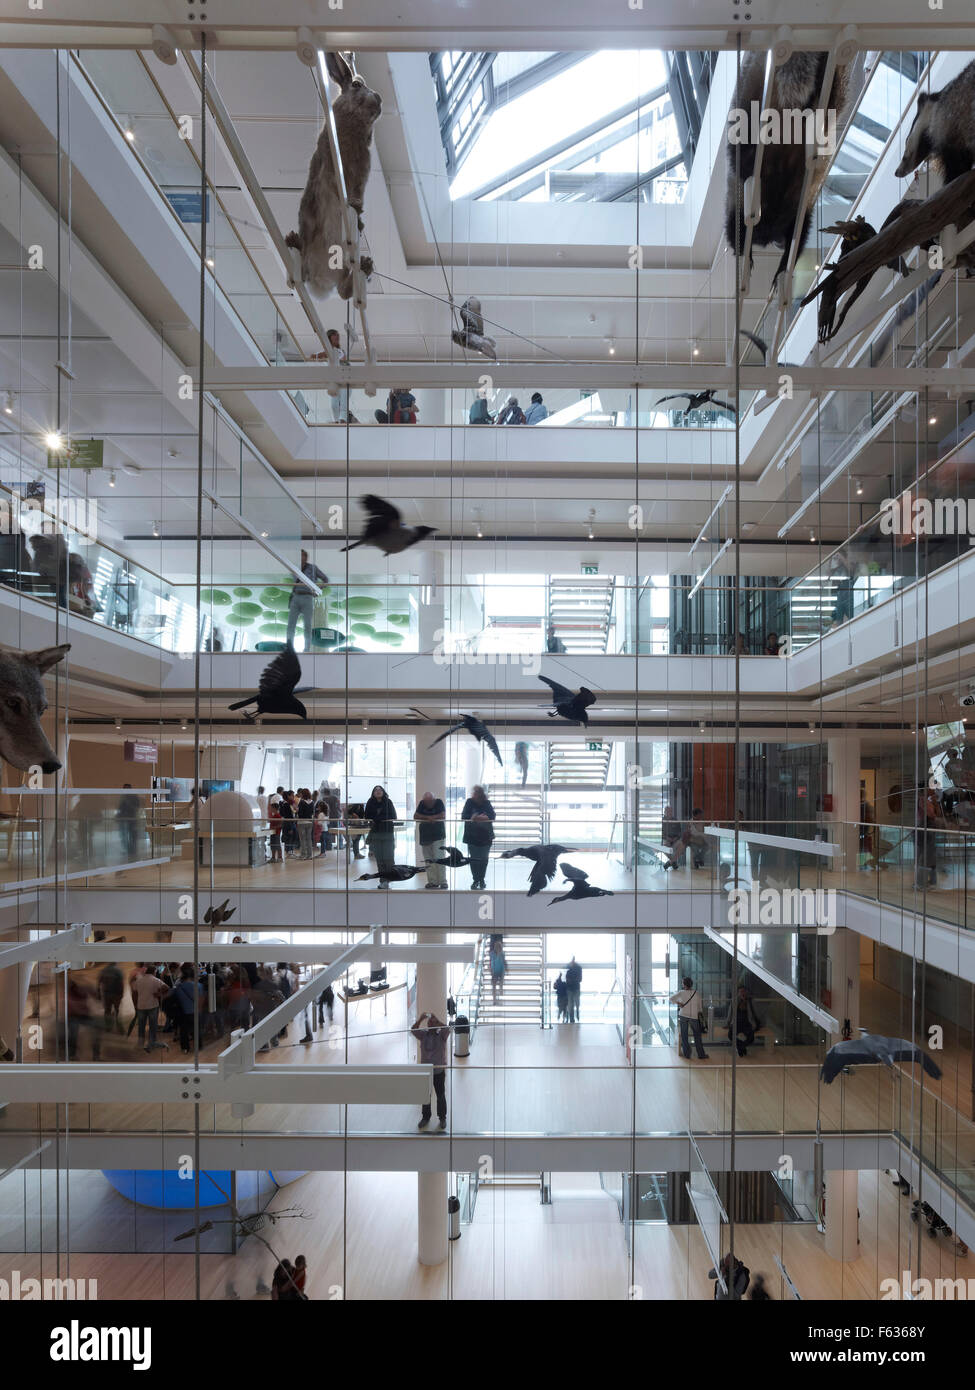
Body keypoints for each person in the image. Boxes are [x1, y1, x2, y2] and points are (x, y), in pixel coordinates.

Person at [411, 1011, 453, 1131]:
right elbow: (413, 1030)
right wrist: (420, 1019)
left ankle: (442, 1118)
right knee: (426, 1096)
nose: (431, 1023)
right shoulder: (423, 1035)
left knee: (440, 1096)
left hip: (438, 1071)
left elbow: (448, 1029)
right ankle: (425, 1117)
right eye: (429, 1022)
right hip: (426, 1072)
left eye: (432, 1022)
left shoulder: (442, 1035)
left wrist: (438, 1021)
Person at [286, 549, 329, 651]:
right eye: (299, 556)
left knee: (307, 625)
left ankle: (307, 648)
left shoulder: (312, 568)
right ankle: (289, 647)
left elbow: (325, 580)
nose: (301, 558)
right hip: (296, 596)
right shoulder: (294, 568)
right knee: (291, 624)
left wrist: (318, 591)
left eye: (302, 556)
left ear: (306, 557)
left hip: (308, 597)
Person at [460, 785, 495, 889]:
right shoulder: (469, 802)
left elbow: (492, 816)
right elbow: (464, 816)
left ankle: (481, 879)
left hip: (485, 836)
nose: (473, 795)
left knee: (484, 859)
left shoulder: (487, 803)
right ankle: (475, 880)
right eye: (473, 793)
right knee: (474, 859)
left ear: (480, 794)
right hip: (472, 836)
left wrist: (477, 817)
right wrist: (477, 817)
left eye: (475, 793)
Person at [131, 966, 170, 1052]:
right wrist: (160, 994)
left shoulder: (139, 980)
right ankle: (152, 1043)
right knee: (153, 1026)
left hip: (141, 1006)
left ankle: (140, 1043)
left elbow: (134, 992)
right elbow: (167, 987)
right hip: (153, 1006)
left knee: (141, 1026)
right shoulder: (155, 980)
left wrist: (135, 1005)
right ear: (154, 972)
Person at [670, 975, 709, 1060]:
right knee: (697, 1036)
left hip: (683, 1015)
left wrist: (679, 1004)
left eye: (682, 983)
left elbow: (671, 998)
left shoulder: (681, 992)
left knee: (684, 1035)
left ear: (684, 984)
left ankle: (687, 1054)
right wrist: (698, 1012)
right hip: (694, 1016)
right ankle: (701, 1054)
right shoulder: (696, 993)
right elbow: (700, 1007)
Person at [414, 789, 448, 888]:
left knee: (440, 859)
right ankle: (433, 881)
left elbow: (443, 815)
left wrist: (430, 817)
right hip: (425, 836)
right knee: (429, 860)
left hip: (438, 835)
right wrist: (429, 818)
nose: (428, 803)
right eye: (426, 801)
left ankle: (442, 881)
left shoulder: (439, 802)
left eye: (430, 801)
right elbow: (416, 815)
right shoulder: (421, 803)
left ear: (434, 799)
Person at [364, 785, 398, 881]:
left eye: (380, 790)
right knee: (379, 858)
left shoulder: (388, 802)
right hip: (376, 833)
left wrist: (377, 818)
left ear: (383, 792)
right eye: (376, 790)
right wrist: (380, 818)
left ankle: (390, 877)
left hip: (387, 833)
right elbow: (367, 816)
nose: (378, 791)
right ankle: (383, 879)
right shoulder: (370, 802)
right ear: (373, 793)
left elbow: (393, 816)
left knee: (389, 857)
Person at [173, 964, 203, 1054]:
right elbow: (200, 1000)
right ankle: (198, 1047)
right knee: (196, 1030)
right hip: (195, 1011)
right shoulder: (199, 986)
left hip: (183, 1012)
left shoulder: (178, 987)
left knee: (184, 1031)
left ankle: (185, 1048)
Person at [727, 984, 759, 1058]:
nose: (742, 993)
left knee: (751, 1037)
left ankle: (741, 1047)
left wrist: (755, 1023)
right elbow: (730, 1012)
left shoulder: (749, 1000)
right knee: (730, 1035)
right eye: (741, 992)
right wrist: (728, 1022)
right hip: (736, 1023)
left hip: (747, 1023)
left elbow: (754, 1012)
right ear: (738, 993)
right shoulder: (735, 1000)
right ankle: (742, 1047)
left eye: (744, 991)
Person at [116, 783, 142, 860]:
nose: (126, 790)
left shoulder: (134, 797)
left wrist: (129, 805)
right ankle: (127, 849)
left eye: (127, 789)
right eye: (125, 789)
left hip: (132, 819)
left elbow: (137, 807)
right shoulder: (122, 797)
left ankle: (133, 851)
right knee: (123, 835)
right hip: (124, 819)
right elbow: (120, 807)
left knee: (132, 835)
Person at [97, 961, 124, 1033]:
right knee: (117, 1010)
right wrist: (121, 994)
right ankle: (119, 1027)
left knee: (107, 1010)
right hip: (116, 994)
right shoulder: (118, 971)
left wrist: (99, 993)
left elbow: (99, 982)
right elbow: (121, 983)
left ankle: (108, 1027)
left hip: (106, 994)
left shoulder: (103, 970)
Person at [295, 787, 315, 860]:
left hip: (301, 822)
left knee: (302, 839)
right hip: (309, 822)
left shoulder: (301, 802)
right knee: (309, 839)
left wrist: (297, 810)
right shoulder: (312, 802)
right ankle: (309, 855)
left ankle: (303, 855)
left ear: (303, 794)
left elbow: (300, 813)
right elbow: (313, 812)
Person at [279, 790, 297, 856]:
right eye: (292, 795)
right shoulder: (286, 804)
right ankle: (289, 850)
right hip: (288, 822)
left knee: (292, 836)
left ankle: (290, 850)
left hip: (291, 822)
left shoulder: (289, 803)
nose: (293, 797)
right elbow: (287, 814)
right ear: (288, 796)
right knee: (289, 836)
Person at [564, 957, 582, 1023]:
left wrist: (571, 981)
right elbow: (567, 980)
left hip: (574, 988)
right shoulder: (569, 971)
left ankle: (574, 1016)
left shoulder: (577, 969)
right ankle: (572, 1018)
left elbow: (580, 979)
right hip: (572, 989)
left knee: (575, 1004)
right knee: (571, 1004)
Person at [489, 937, 507, 1003]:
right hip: (494, 972)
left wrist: (505, 971)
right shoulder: (492, 954)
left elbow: (504, 963)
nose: (498, 948)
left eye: (499, 947)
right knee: (493, 986)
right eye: (497, 947)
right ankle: (494, 1000)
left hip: (501, 971)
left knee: (500, 983)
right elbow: (492, 962)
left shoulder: (502, 954)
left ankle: (500, 989)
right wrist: (491, 970)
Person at [268, 795, 283, 862]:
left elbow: (280, 824)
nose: (270, 809)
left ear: (274, 808)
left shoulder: (278, 816)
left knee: (277, 845)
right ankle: (273, 857)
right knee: (273, 845)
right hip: (272, 832)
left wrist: (275, 827)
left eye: (271, 808)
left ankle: (280, 857)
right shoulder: (274, 815)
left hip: (276, 833)